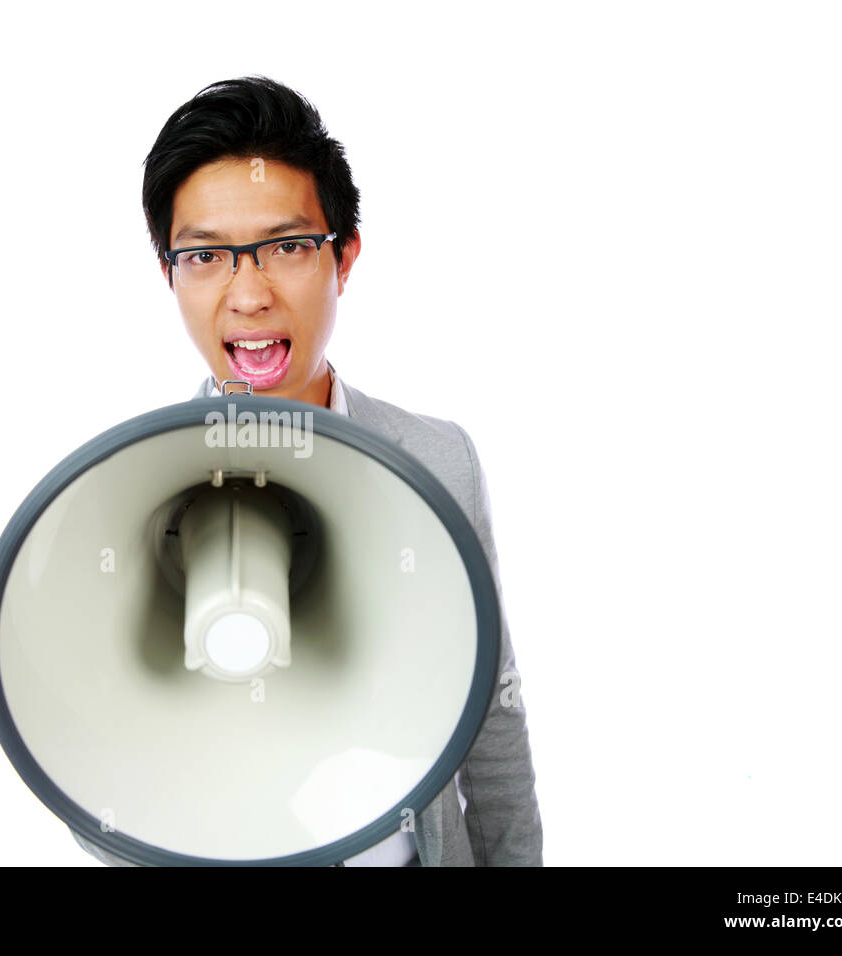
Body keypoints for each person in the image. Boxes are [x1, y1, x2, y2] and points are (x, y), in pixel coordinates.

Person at [74, 76, 542, 866]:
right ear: (169, 274)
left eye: (288, 247)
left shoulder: (440, 461)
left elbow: (494, 727)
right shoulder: (129, 497)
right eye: (205, 257)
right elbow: (99, 784)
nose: (248, 295)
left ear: (344, 255)